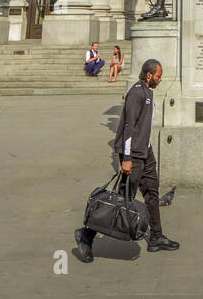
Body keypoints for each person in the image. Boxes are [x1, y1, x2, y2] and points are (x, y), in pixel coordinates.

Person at [75, 59, 178, 262]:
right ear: (149, 75)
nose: (160, 79)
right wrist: (127, 158)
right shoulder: (136, 93)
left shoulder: (148, 92)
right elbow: (129, 127)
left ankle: (156, 236)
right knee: (121, 199)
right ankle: (86, 235)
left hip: (145, 152)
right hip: (134, 155)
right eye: (158, 76)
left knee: (152, 192)